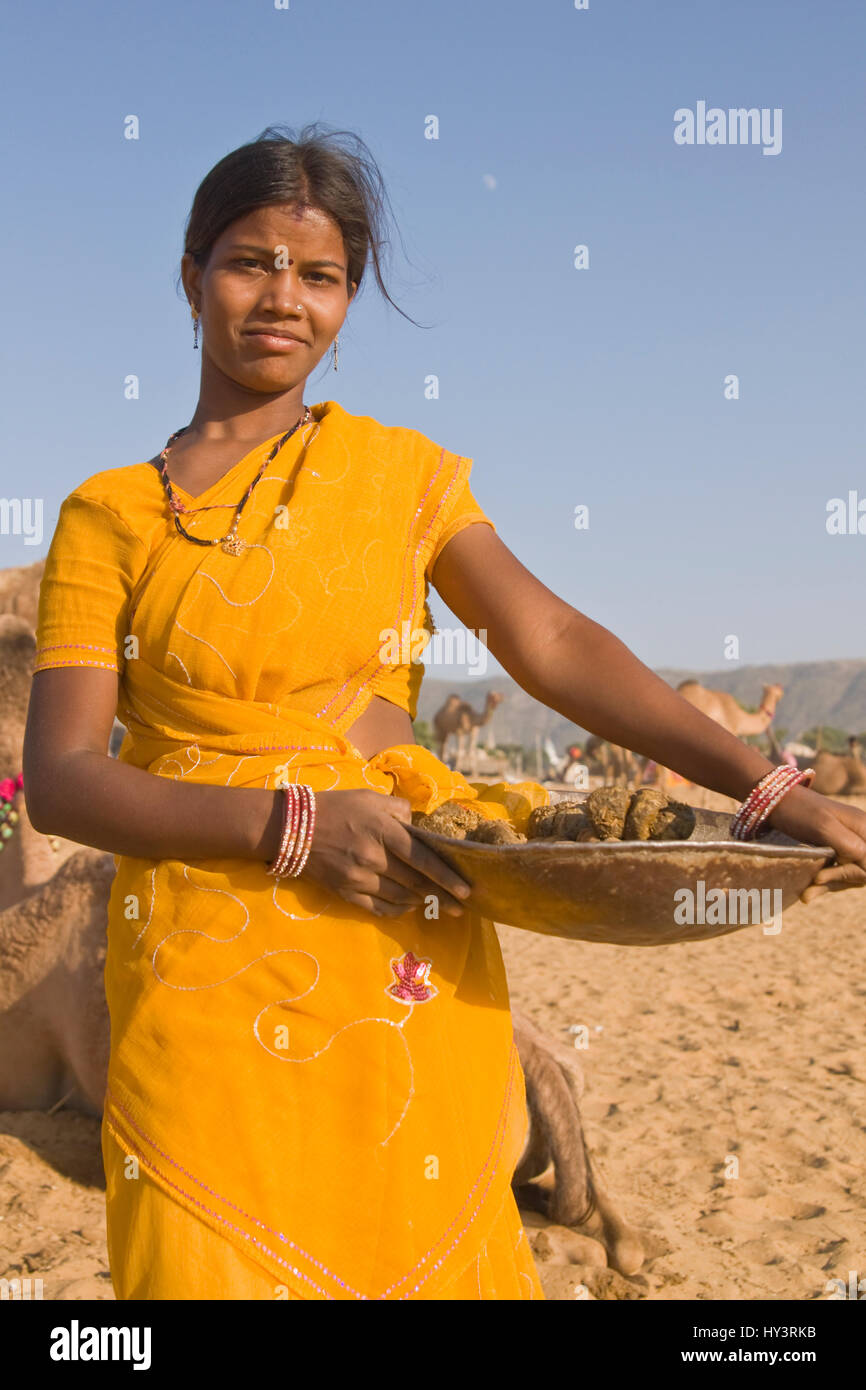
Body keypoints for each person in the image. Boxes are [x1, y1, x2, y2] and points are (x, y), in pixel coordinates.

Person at [22, 123, 866, 1302]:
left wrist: (765, 786)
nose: (283, 298)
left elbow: (551, 641)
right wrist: (293, 827)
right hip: (200, 978)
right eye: (249, 261)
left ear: (348, 300)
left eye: (319, 275)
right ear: (190, 275)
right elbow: (62, 776)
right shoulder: (106, 515)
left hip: (403, 945)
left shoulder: (401, 476)